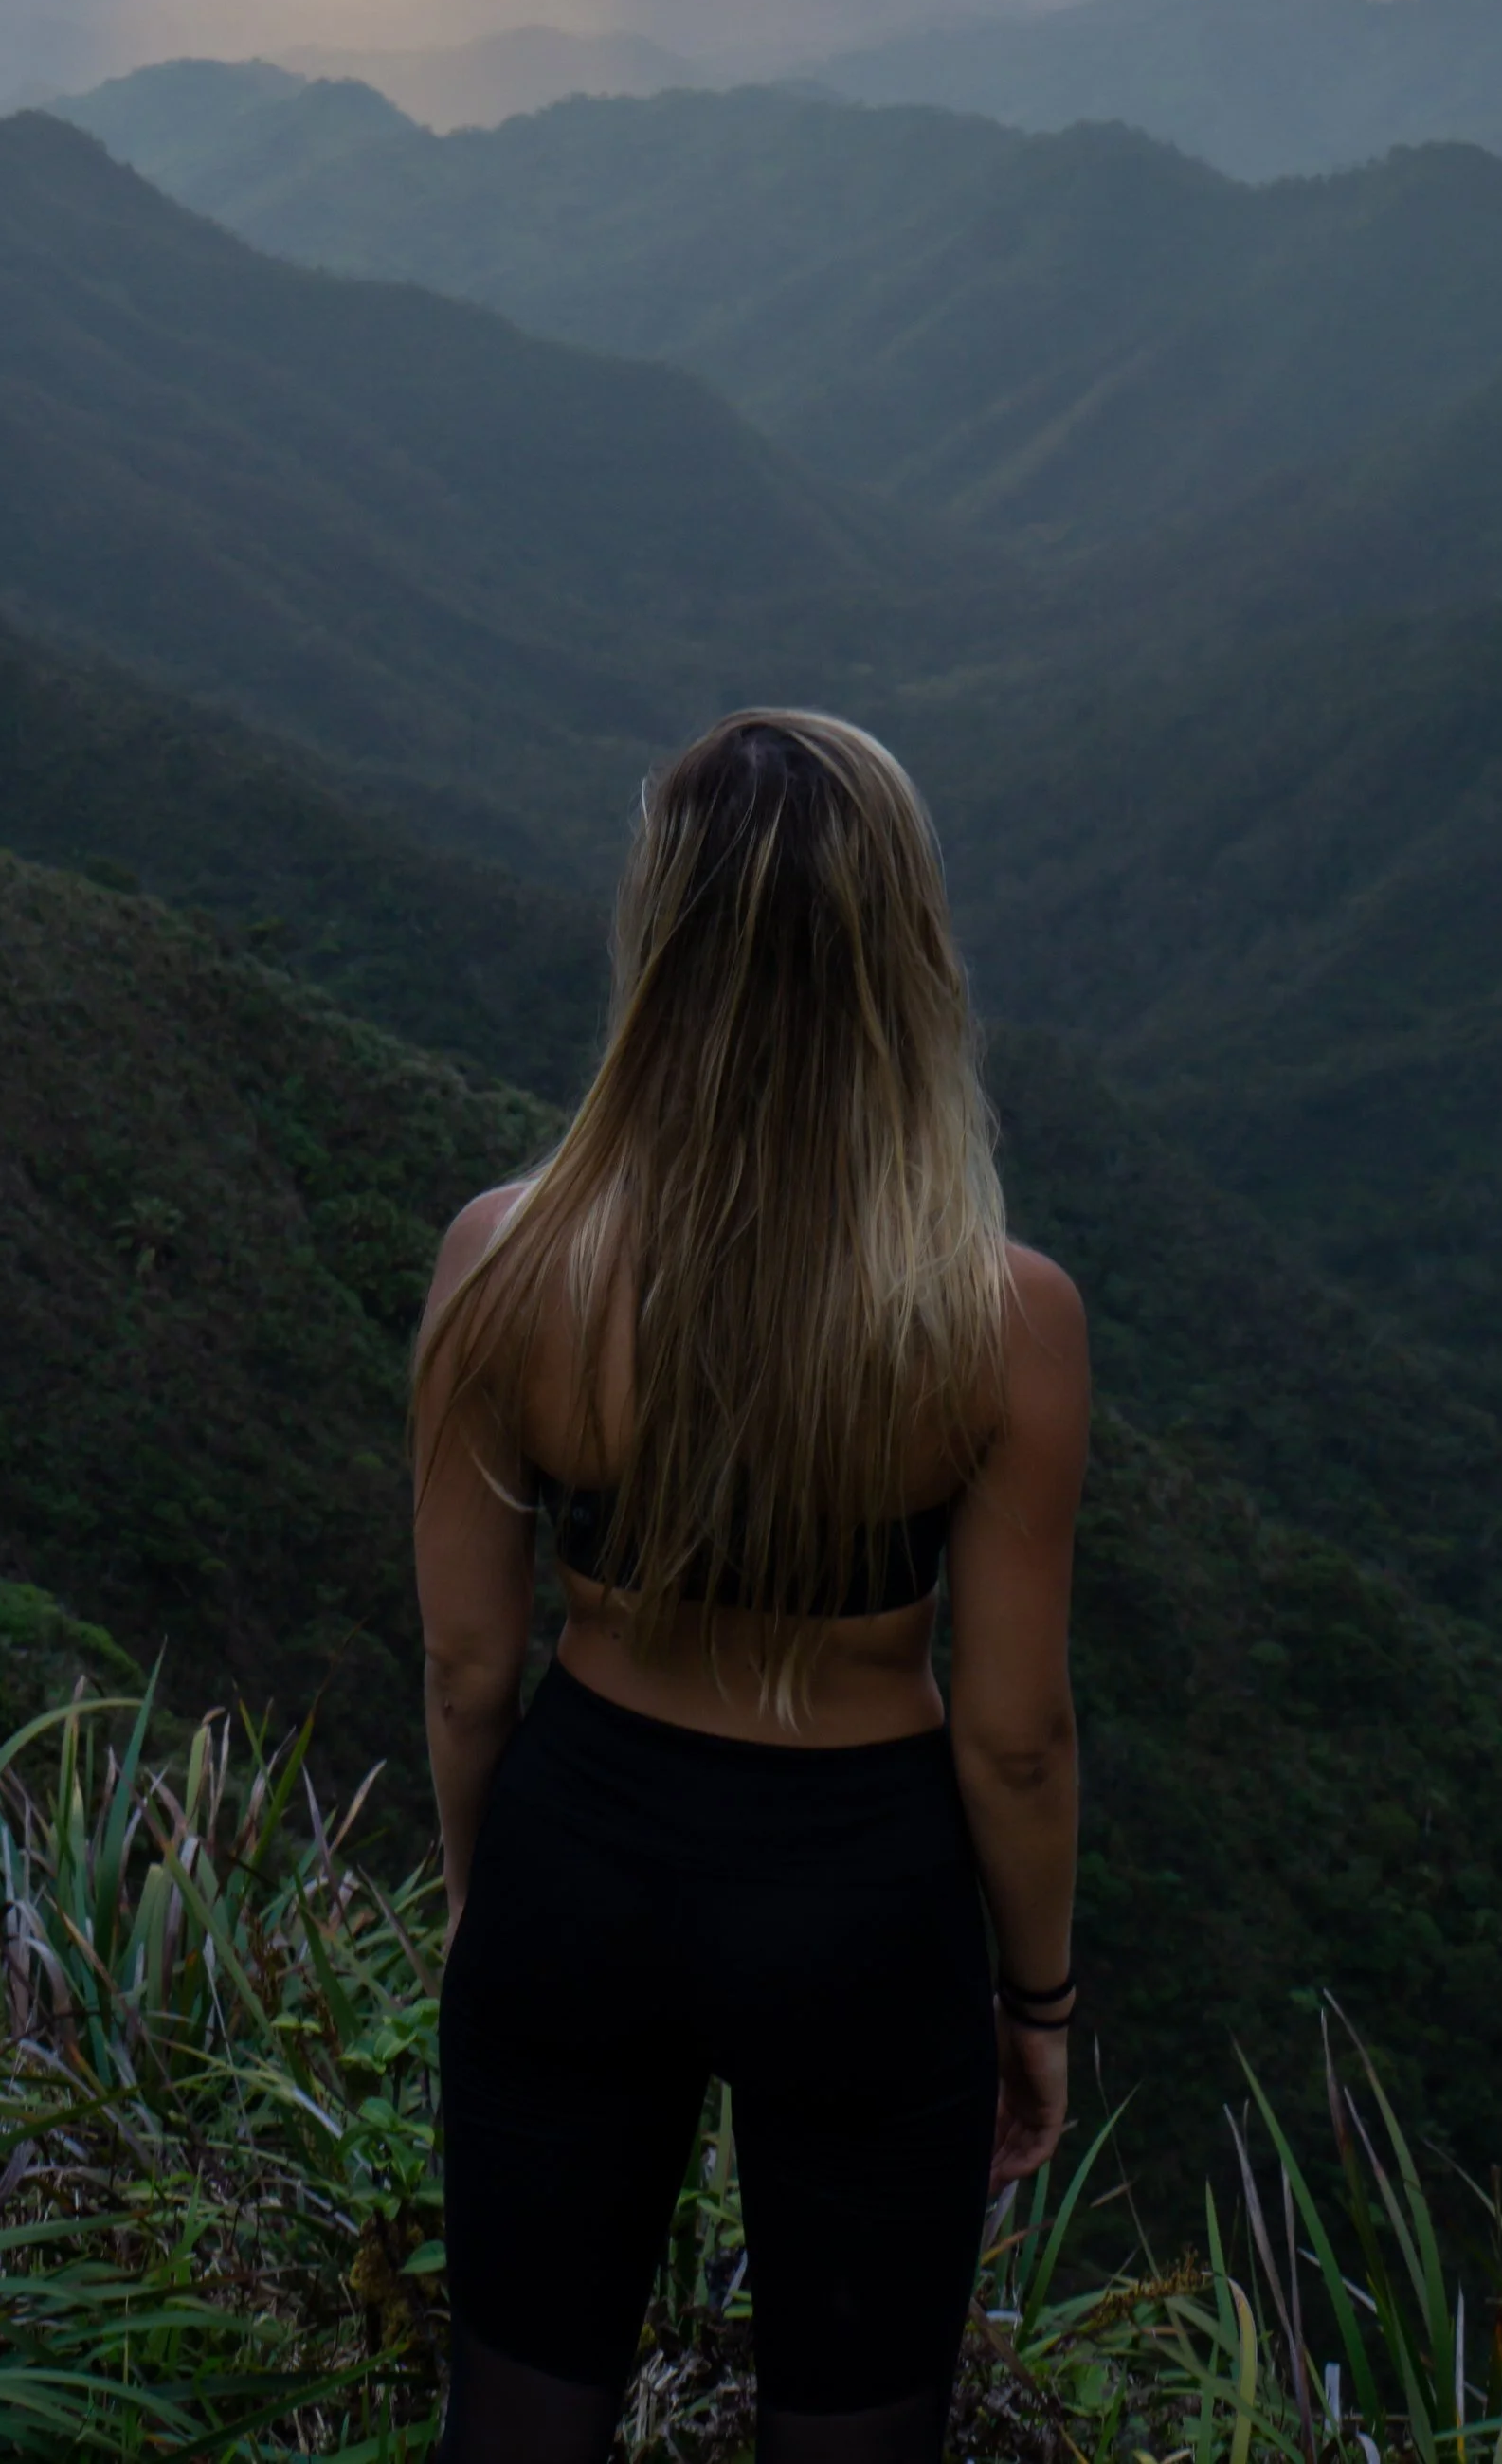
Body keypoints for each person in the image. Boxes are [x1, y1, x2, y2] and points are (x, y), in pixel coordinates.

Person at [411, 710, 1087, 2464]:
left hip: (580, 1852)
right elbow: (1017, 1740)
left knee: (518, 2424)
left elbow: (470, 1669)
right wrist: (1038, 2007)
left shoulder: (510, 1259)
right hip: (864, 1903)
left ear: (664, 930)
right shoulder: (998, 1318)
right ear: (902, 952)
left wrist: (499, 1903)